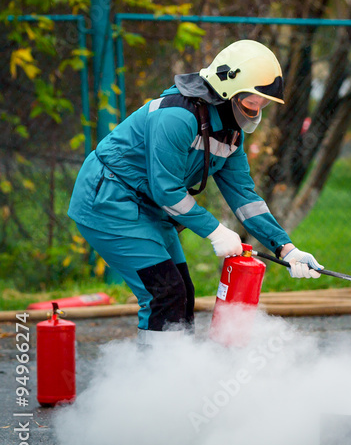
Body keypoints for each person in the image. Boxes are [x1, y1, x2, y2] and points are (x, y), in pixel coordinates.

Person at [69, 40, 322, 345]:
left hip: (146, 209)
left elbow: (245, 197)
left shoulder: (230, 134)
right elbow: (167, 191)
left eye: (263, 103)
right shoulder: (177, 116)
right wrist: (215, 231)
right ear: (228, 90)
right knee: (163, 294)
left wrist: (286, 248)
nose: (258, 109)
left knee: (182, 293)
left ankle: (176, 377)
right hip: (108, 201)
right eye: (253, 100)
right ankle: (154, 382)